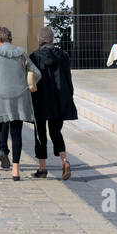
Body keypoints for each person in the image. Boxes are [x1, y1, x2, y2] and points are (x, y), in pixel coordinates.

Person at [0, 26, 40, 180]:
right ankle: (16, 170)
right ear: (10, 39)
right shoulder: (21, 55)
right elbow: (36, 73)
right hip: (19, 99)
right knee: (16, 133)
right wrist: (27, 84)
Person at [29, 26, 77, 179]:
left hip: (40, 99)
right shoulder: (63, 56)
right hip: (59, 99)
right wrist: (69, 96)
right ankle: (64, 160)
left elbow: (31, 79)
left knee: (40, 133)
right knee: (56, 132)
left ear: (39, 40)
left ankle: (42, 168)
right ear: (52, 40)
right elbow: (68, 79)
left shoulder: (34, 56)